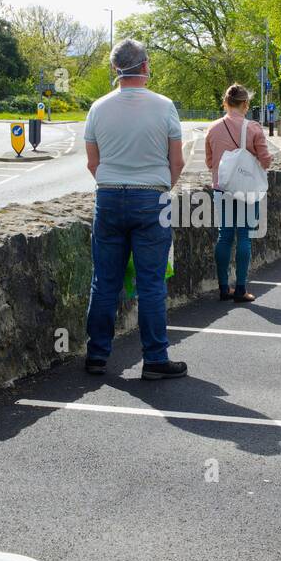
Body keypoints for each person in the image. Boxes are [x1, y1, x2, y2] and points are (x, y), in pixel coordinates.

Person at [83, 39, 187, 380]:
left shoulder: (97, 108)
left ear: (116, 69)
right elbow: (177, 161)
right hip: (152, 198)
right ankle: (155, 359)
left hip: (109, 197)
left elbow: (92, 163)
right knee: (152, 282)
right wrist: (159, 188)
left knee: (104, 282)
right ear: (145, 66)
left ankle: (97, 356)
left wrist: (114, 184)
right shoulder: (165, 106)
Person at [204, 83, 273, 302]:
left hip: (222, 188)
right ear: (245, 104)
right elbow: (266, 161)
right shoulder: (253, 128)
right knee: (244, 236)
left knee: (225, 235)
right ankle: (241, 289)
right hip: (246, 189)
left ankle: (224, 288)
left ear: (225, 103)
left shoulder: (213, 128)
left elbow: (209, 161)